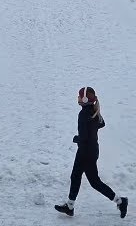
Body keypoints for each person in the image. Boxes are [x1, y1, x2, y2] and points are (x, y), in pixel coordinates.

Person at [55, 86, 129, 218]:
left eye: (79, 96)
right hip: (91, 150)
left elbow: (83, 137)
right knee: (81, 178)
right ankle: (70, 206)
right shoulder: (93, 111)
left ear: (84, 99)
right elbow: (102, 123)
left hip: (85, 152)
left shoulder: (83, 114)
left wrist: (76, 138)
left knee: (90, 181)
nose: (77, 98)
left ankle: (121, 201)